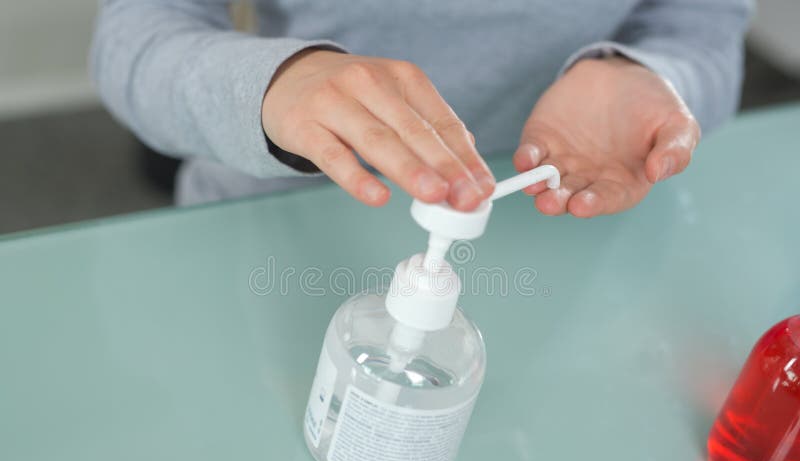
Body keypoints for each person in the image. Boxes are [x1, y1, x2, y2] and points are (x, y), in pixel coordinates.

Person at [91, 0, 752, 217]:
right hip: (284, 220)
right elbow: (134, 39)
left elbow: (703, 28)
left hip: (566, 226)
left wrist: (651, 75)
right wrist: (272, 85)